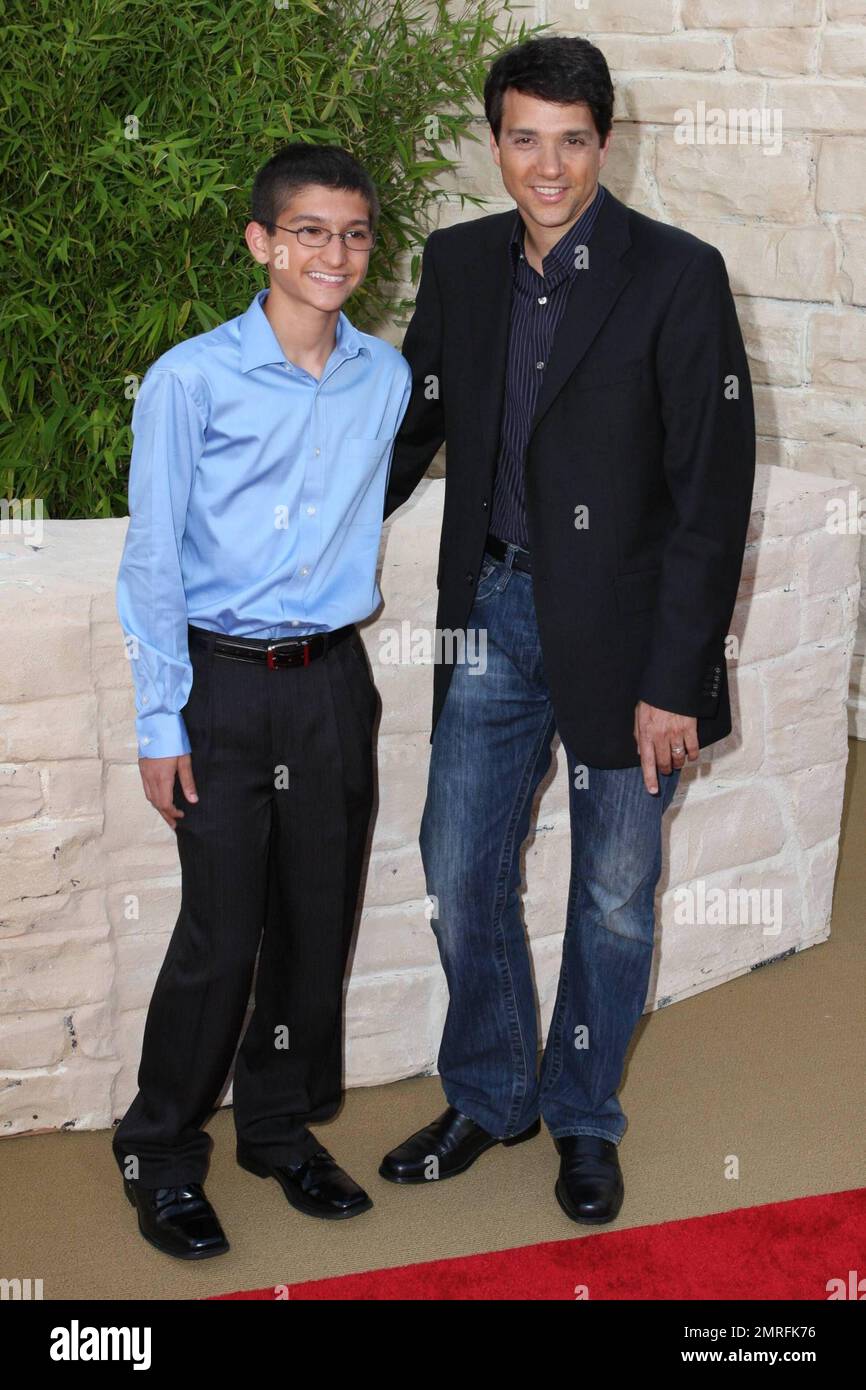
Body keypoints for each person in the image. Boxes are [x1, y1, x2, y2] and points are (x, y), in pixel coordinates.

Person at [378, 35, 756, 1223]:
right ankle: (492, 1094)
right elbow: (405, 434)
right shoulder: (457, 262)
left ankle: (584, 1114)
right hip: (489, 608)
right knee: (458, 862)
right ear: (495, 143)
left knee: (610, 893)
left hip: (630, 641)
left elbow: (710, 494)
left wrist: (676, 678)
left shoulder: (677, 274)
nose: (547, 166)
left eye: (572, 140)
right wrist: (277, 541)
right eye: (524, 138)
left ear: (604, 142)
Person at [113, 144, 412, 1259]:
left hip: (331, 681)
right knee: (219, 930)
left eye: (352, 234)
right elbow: (150, 560)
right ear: (259, 242)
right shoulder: (190, 379)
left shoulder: (383, 379)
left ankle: (278, 1129)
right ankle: (159, 1149)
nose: (331, 253)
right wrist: (160, 718)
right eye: (307, 232)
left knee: (314, 916)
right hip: (220, 689)